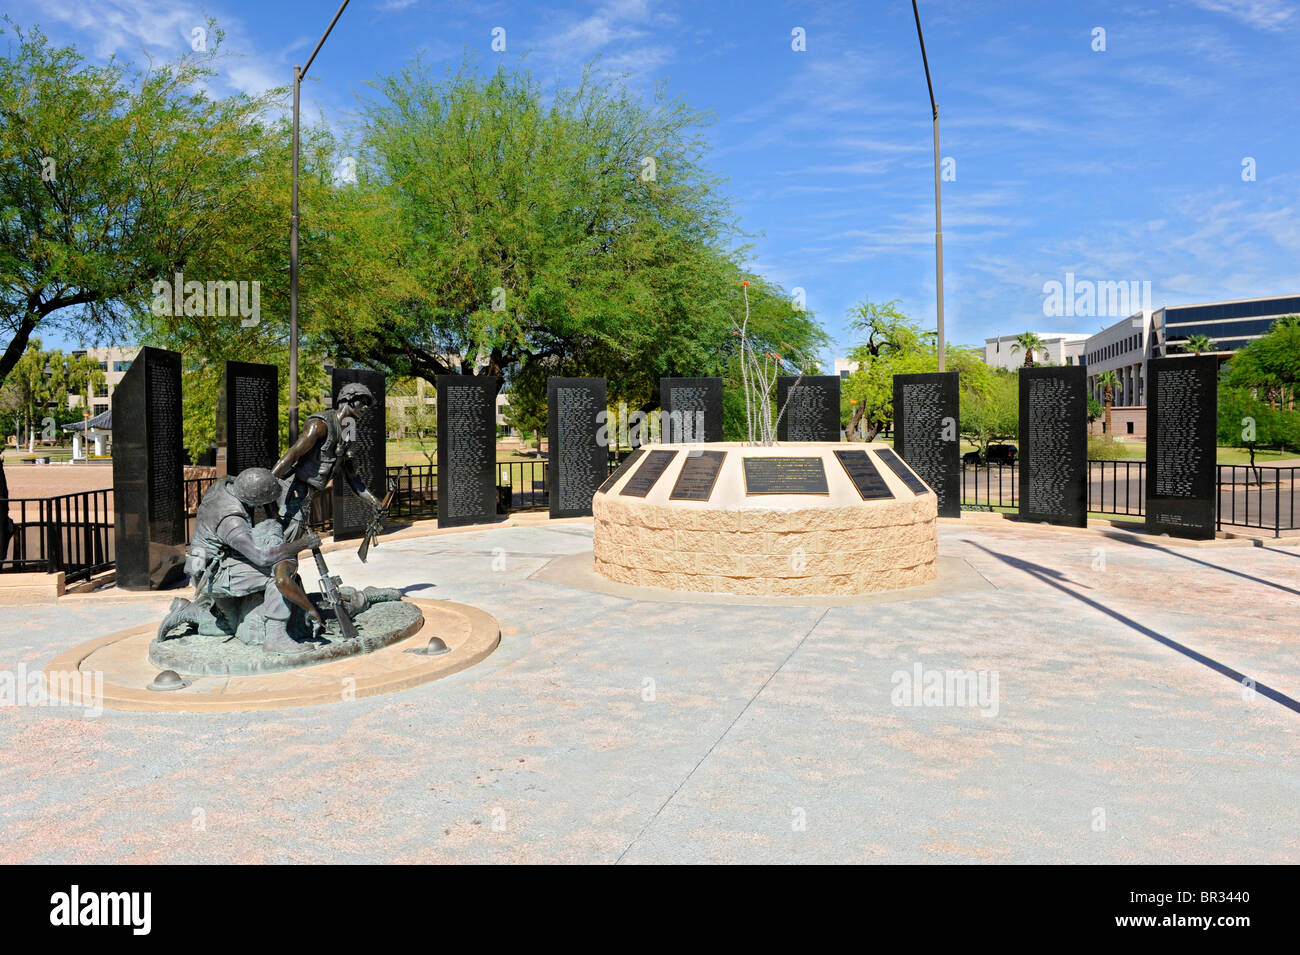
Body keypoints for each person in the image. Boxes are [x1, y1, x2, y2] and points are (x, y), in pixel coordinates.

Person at [182, 467, 321, 654]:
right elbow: (262, 557)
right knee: (277, 575)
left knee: (229, 626)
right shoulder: (231, 521)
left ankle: (186, 612)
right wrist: (302, 544)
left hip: (206, 567)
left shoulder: (225, 484)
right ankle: (275, 638)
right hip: (214, 576)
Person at [272, 381, 384, 537]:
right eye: (363, 402)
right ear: (349, 399)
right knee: (291, 534)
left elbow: (353, 477)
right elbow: (293, 454)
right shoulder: (320, 425)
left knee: (294, 535)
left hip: (308, 493)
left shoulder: (348, 434)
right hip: (292, 487)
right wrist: (270, 480)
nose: (365, 408)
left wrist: (373, 501)